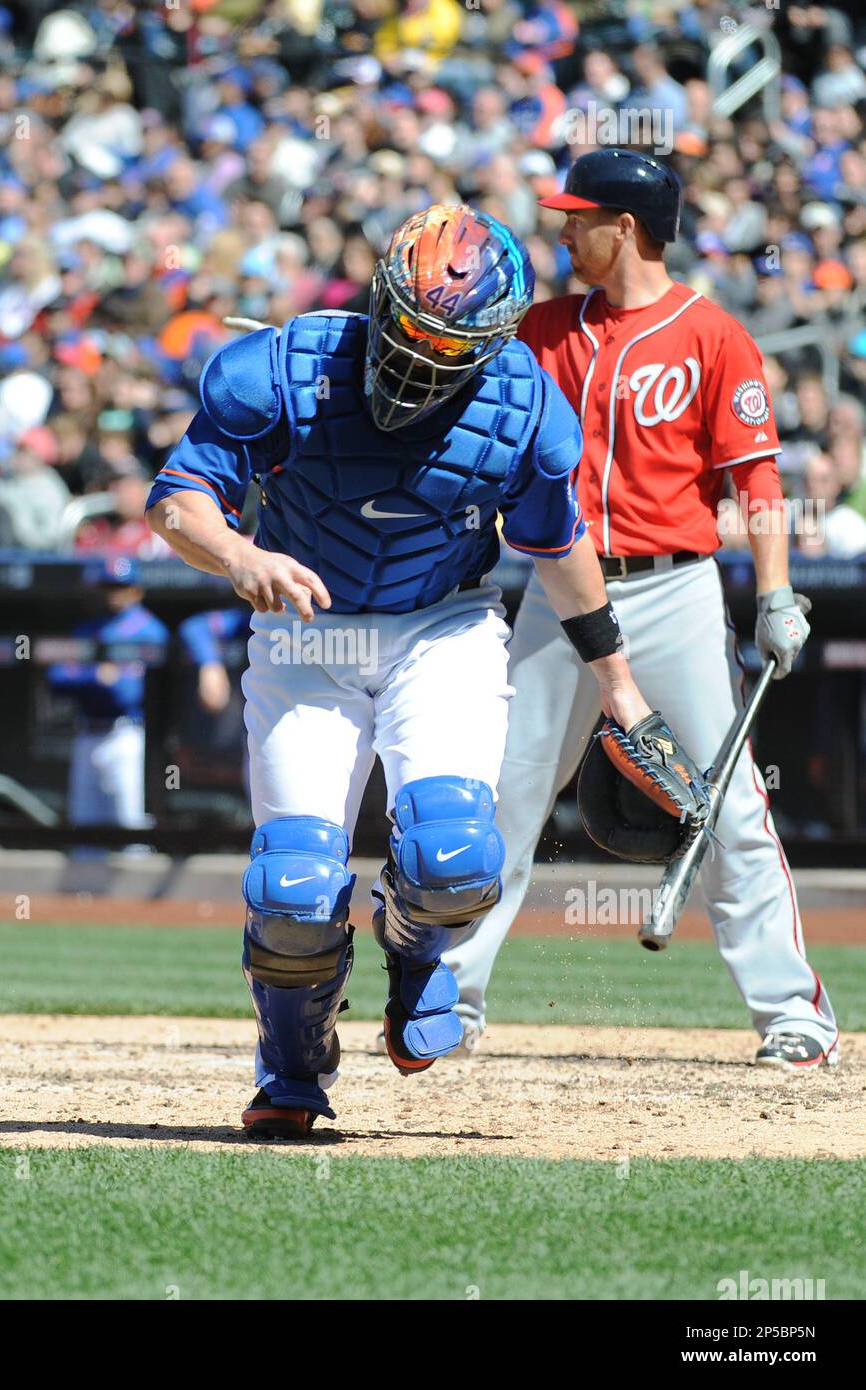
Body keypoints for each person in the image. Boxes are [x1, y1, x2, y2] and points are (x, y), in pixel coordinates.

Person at [147, 204, 692, 1138]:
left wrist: (618, 683)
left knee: (454, 855)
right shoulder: (284, 371)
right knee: (290, 886)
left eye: (450, 345)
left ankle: (415, 961)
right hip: (306, 631)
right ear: (378, 300)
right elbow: (174, 503)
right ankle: (291, 1067)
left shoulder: (524, 410)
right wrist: (239, 556)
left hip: (442, 625)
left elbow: (557, 551)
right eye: (409, 330)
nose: (422, 361)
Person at [442, 150, 839, 1072]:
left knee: (729, 805)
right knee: (504, 794)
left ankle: (792, 1012)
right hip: (557, 587)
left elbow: (756, 476)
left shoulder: (712, 333)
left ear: (625, 227)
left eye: (578, 217)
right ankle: (447, 999)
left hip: (673, 587)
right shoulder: (540, 328)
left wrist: (773, 589)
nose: (563, 229)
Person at [48, 556, 169, 841]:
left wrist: (87, 675)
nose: (114, 593)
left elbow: (126, 691)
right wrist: (95, 677)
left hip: (127, 735)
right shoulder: (88, 629)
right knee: (84, 828)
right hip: (87, 733)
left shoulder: (149, 630)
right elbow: (57, 678)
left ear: (137, 590)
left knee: (131, 826)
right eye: (109, 586)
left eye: (121, 587)